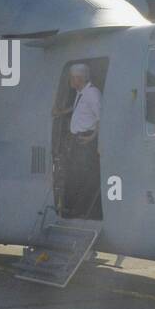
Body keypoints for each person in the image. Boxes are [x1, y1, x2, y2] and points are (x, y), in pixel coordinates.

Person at [52, 63, 102, 219]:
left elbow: (102, 117)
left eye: (71, 79)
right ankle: (74, 209)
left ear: (78, 78)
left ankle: (82, 211)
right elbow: (78, 109)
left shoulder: (92, 94)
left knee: (83, 176)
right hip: (77, 141)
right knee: (74, 175)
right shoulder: (81, 93)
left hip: (85, 141)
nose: (70, 82)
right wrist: (61, 112)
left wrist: (92, 137)